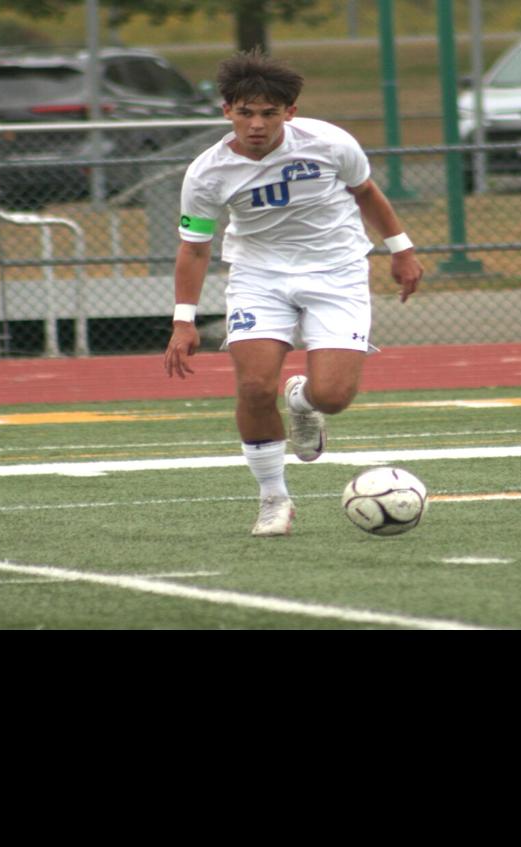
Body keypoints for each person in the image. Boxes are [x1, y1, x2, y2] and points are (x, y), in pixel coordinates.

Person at [162, 52, 423, 537]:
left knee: (335, 396)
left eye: (269, 113)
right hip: (259, 277)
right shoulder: (207, 173)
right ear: (227, 112)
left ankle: (303, 400)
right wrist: (183, 320)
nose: (256, 124)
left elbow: (365, 191)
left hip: (337, 273)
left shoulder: (330, 143)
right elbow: (194, 249)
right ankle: (273, 499)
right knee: (255, 387)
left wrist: (401, 249)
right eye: (246, 113)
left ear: (290, 112)